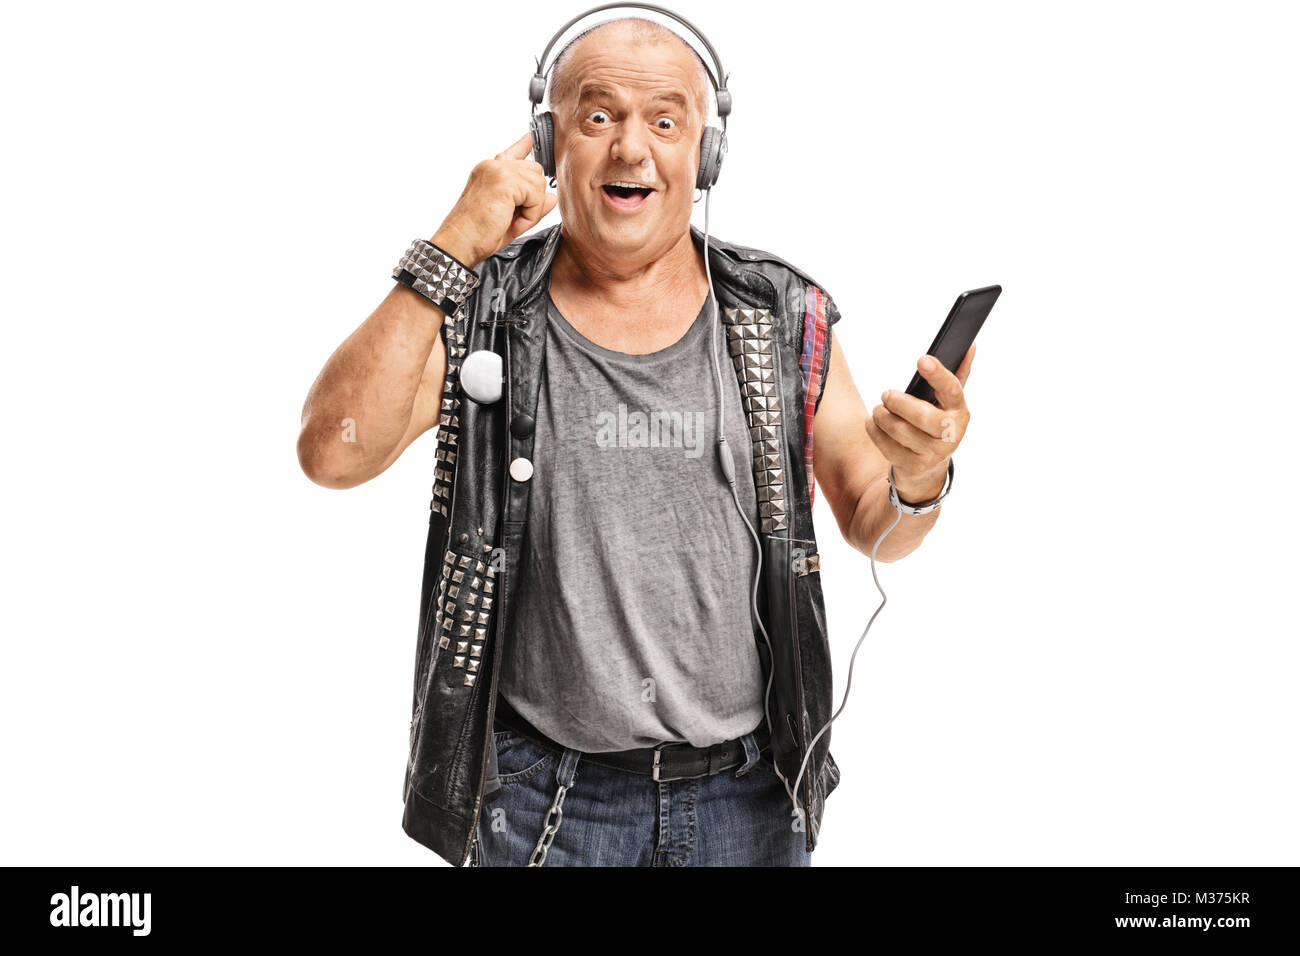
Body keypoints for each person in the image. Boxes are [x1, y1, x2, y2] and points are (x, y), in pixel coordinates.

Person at [297, 14, 975, 867]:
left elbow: (879, 525)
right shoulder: (484, 312)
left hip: (753, 806)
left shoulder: (779, 315)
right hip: (543, 806)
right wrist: (453, 245)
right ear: (549, 143)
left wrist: (921, 477)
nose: (630, 148)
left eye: (664, 119)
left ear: (706, 156)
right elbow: (332, 452)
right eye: (597, 116)